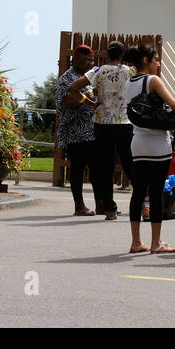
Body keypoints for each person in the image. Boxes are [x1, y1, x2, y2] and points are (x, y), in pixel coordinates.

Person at [123, 44, 175, 254]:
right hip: (158, 143)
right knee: (157, 192)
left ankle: (135, 242)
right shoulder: (153, 80)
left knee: (139, 192)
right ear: (145, 60)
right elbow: (174, 105)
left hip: (137, 142)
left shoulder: (129, 83)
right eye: (156, 59)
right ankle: (156, 243)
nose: (158, 64)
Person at [67, 40, 134, 220]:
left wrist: (90, 104)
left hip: (102, 123)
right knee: (129, 163)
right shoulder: (129, 71)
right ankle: (141, 203)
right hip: (123, 123)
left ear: (107, 54)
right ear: (121, 55)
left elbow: (73, 89)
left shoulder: (97, 71)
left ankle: (110, 209)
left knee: (105, 166)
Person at [55, 43, 98, 216]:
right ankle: (79, 205)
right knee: (78, 169)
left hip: (92, 129)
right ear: (76, 59)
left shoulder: (88, 76)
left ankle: (101, 203)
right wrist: (88, 95)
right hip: (75, 130)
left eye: (91, 60)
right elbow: (66, 101)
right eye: (86, 60)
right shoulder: (68, 78)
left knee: (96, 168)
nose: (89, 63)